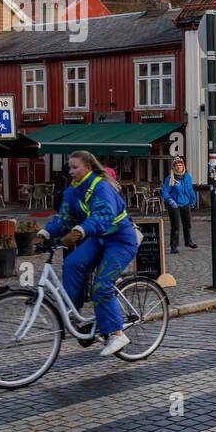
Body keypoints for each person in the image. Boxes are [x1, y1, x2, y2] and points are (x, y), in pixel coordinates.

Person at [38, 151, 139, 356]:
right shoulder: (73, 191)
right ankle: (73, 314)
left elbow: (104, 214)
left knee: (101, 286)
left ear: (88, 168)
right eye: (69, 167)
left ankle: (117, 334)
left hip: (121, 238)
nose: (71, 171)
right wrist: (45, 232)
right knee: (73, 263)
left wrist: (79, 231)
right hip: (99, 238)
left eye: (75, 167)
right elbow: (63, 217)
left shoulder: (101, 186)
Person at [161, 157, 197, 253]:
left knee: (187, 224)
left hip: (185, 203)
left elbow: (190, 190)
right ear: (174, 167)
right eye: (177, 165)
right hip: (174, 205)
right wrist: (169, 200)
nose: (179, 167)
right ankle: (174, 246)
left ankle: (188, 241)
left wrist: (193, 200)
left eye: (180, 165)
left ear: (183, 166)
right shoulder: (170, 178)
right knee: (175, 226)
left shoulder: (188, 177)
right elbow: (165, 191)